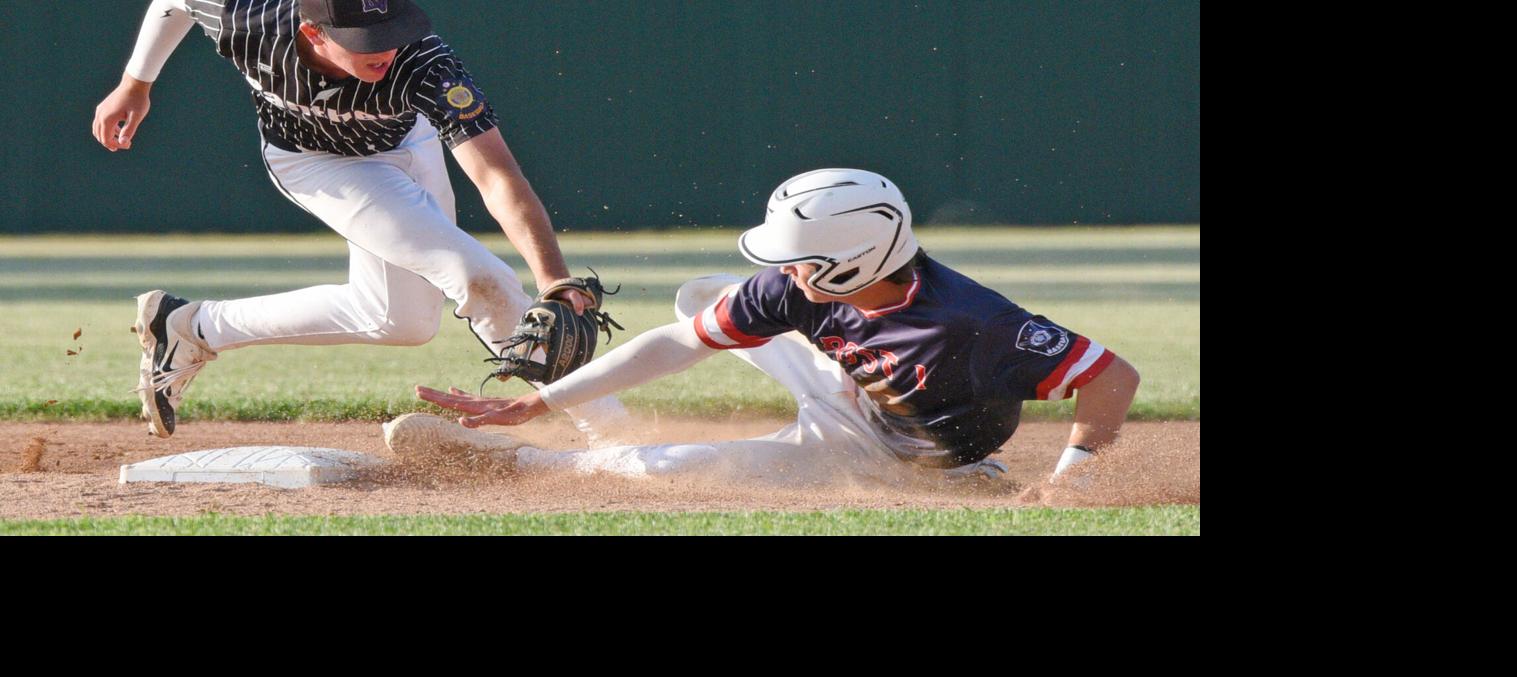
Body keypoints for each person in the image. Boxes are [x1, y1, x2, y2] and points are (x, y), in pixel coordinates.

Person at [388, 168, 1141, 492]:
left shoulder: (973, 325)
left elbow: (1111, 374)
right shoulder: (803, 287)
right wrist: (541, 402)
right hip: (851, 386)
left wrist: (1071, 485)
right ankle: (534, 432)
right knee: (702, 301)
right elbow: (679, 344)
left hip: (884, 449)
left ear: (854, 260)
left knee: (656, 468)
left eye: (802, 260)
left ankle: (509, 464)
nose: (786, 272)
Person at [92, 0, 622, 438]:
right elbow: (173, 2)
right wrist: (136, 84)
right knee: (478, 278)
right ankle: (612, 434)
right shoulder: (246, 17)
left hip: (406, 146)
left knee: (404, 321)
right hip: (314, 162)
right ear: (313, 33)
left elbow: (496, 176)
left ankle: (191, 326)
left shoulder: (423, 63)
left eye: (391, 28)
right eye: (366, 38)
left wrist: (553, 279)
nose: (385, 48)